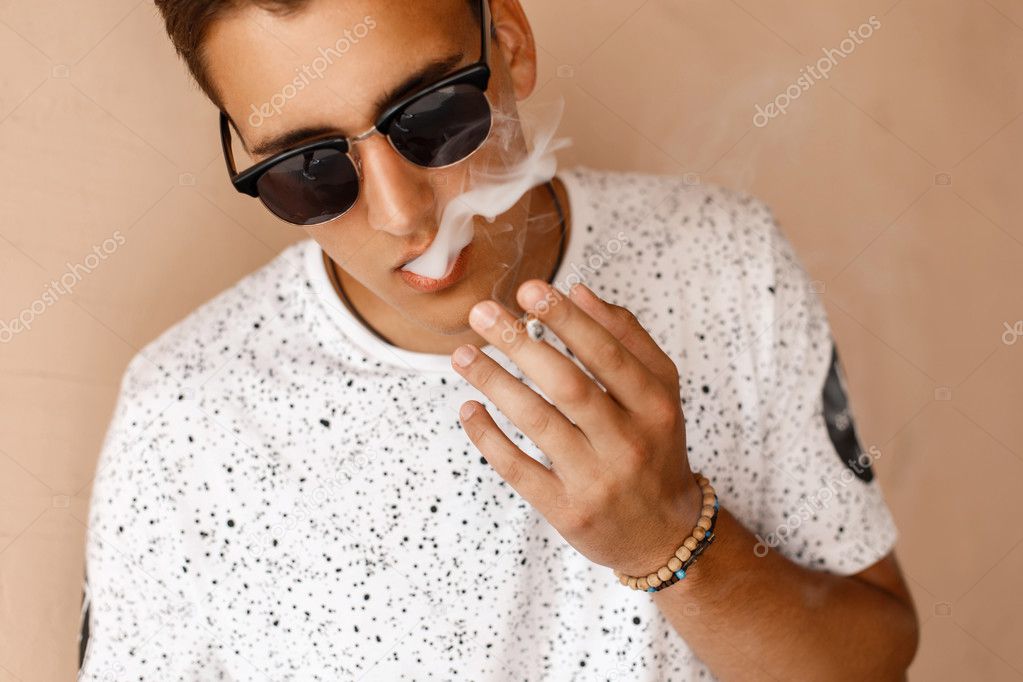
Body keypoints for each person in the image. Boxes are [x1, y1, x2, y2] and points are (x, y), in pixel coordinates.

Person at [78, 0, 919, 679]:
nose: (405, 214)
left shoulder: (725, 259)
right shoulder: (180, 416)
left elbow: (873, 658)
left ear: (509, 44)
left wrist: (671, 540)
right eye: (308, 170)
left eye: (432, 114)